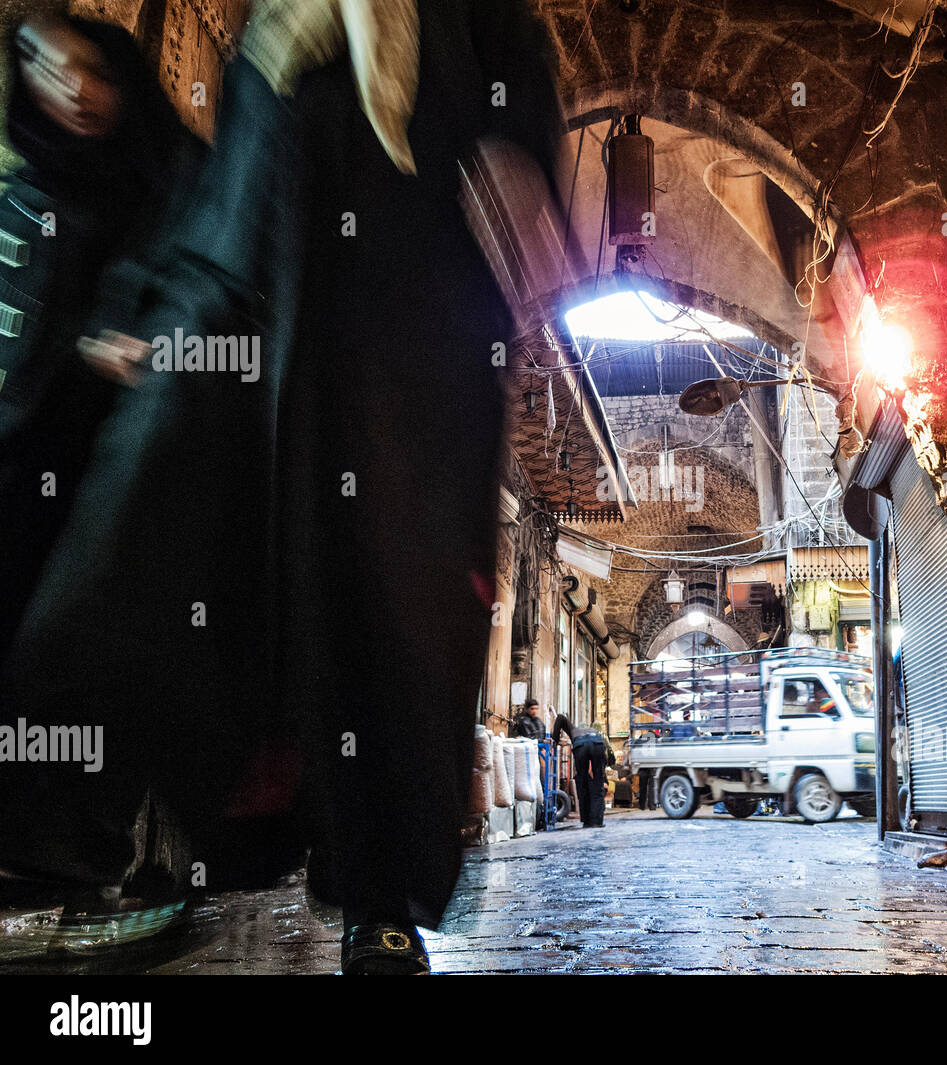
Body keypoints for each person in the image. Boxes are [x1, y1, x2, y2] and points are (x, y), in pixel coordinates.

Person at [3, 0, 564, 975]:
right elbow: (226, 205)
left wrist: (520, 195)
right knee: (139, 549)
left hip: (405, 364)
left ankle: (378, 899)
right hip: (262, 344)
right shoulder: (272, 40)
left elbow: (517, 157)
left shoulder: (473, 24)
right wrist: (170, 323)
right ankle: (54, 845)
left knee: (387, 622)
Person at [0, 12, 204, 897]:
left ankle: (90, 845)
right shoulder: (25, 193)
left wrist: (133, 346)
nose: (73, 90)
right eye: (50, 70)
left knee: (98, 654)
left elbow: (198, 302)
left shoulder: (166, 191)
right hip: (25, 467)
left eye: (94, 72)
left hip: (126, 472)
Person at [552, 714, 613, 829]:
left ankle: (586, 821)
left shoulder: (573, 730)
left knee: (582, 783)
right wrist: (602, 777)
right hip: (597, 745)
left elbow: (560, 717)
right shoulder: (593, 731)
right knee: (597, 784)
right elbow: (605, 758)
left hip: (581, 746)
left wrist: (554, 740)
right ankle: (597, 821)